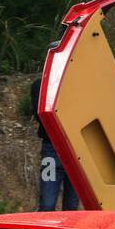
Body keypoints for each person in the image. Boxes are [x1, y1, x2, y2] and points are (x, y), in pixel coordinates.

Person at [31, 76, 79, 211]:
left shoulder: (75, 86)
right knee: (47, 203)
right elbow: (39, 114)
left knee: (71, 206)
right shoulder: (39, 85)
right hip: (51, 151)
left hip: (75, 152)